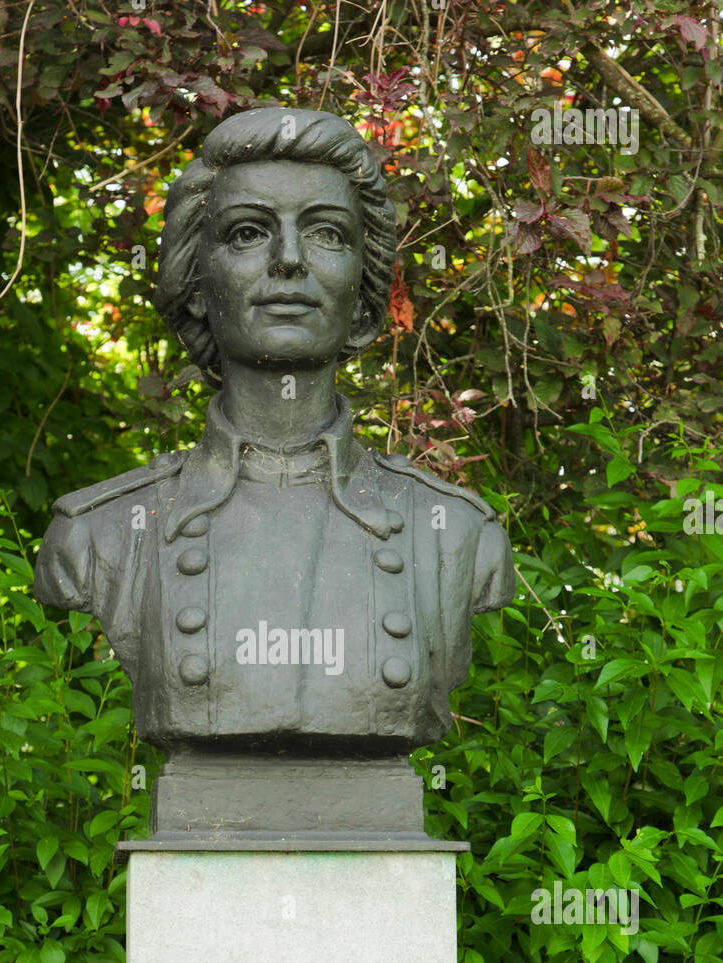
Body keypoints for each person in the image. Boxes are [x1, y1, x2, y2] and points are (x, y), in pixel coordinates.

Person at [33, 107, 515, 756]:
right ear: (197, 284)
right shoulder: (102, 531)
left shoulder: (455, 533)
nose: (288, 260)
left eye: (326, 234)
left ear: (365, 301)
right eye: (247, 233)